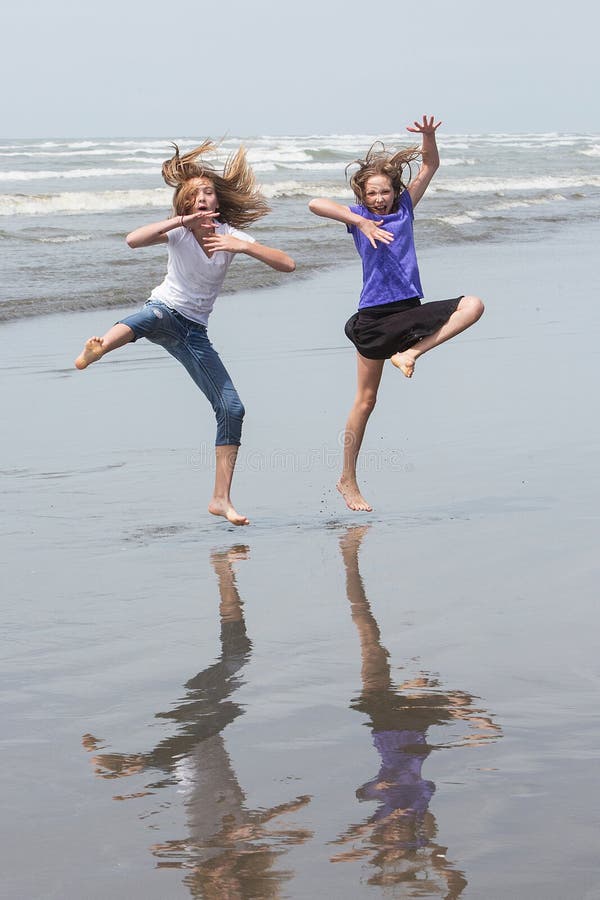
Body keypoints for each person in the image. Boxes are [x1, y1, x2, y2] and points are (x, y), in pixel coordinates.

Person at [74, 140, 296, 526]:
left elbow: (288, 264)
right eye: (194, 196)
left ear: (217, 202)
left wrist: (241, 247)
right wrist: (180, 223)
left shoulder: (230, 235)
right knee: (149, 317)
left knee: (232, 408)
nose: (202, 199)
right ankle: (99, 348)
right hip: (164, 309)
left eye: (207, 193)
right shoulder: (178, 231)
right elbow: (133, 240)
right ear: (185, 205)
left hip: (194, 333)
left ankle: (220, 498)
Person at [308, 116, 484, 512]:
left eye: (385, 192)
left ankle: (411, 353)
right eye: (372, 194)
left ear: (394, 191)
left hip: (410, 312)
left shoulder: (405, 208)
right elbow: (314, 204)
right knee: (365, 401)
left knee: (473, 304)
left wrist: (428, 138)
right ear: (362, 195)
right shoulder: (358, 218)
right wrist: (358, 221)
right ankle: (347, 479)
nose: (379, 200)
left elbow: (430, 167)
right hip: (373, 318)